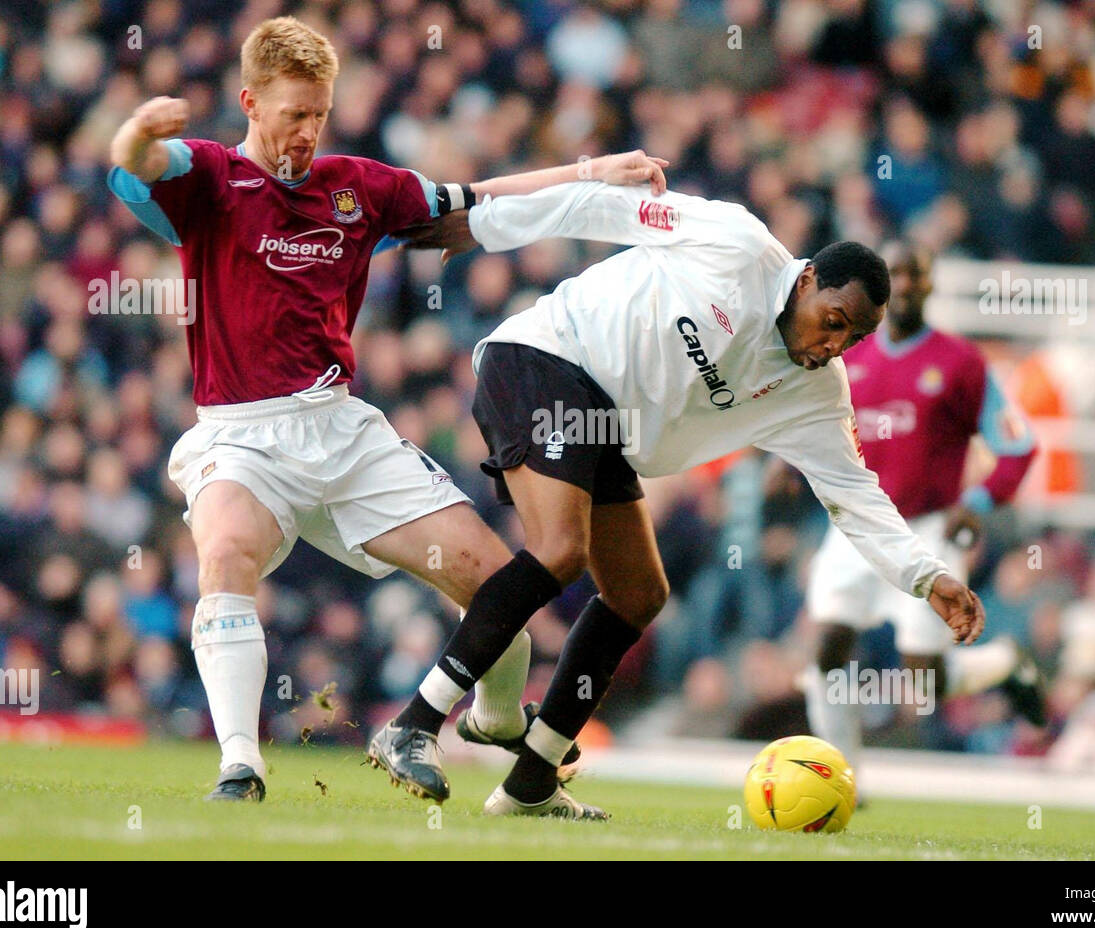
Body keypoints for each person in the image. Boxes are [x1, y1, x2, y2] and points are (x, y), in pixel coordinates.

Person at [106, 16, 670, 802]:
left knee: (496, 581)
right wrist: (135, 130)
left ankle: (496, 719)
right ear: (250, 102)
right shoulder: (207, 178)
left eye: (320, 114)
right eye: (293, 112)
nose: (307, 131)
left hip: (341, 432)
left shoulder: (360, 188)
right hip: (241, 438)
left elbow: (483, 200)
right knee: (227, 550)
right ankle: (241, 763)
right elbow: (136, 164)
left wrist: (592, 171)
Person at [371, 181, 985, 819]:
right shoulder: (736, 243)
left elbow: (856, 496)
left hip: (606, 429)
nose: (834, 345)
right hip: (547, 355)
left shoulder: (815, 395)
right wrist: (488, 226)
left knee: (639, 593)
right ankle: (414, 723)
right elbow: (600, 203)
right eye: (834, 321)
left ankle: (530, 784)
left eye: (852, 339)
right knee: (560, 551)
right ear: (804, 281)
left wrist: (926, 576)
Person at [798, 240, 1042, 777]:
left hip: (929, 527)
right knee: (827, 651)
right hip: (856, 525)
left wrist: (977, 502)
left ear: (931, 283)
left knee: (921, 679)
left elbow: (1019, 447)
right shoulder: (851, 354)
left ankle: (1005, 662)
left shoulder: (960, 363)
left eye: (916, 274)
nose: (906, 284)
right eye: (896, 274)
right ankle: (840, 781)